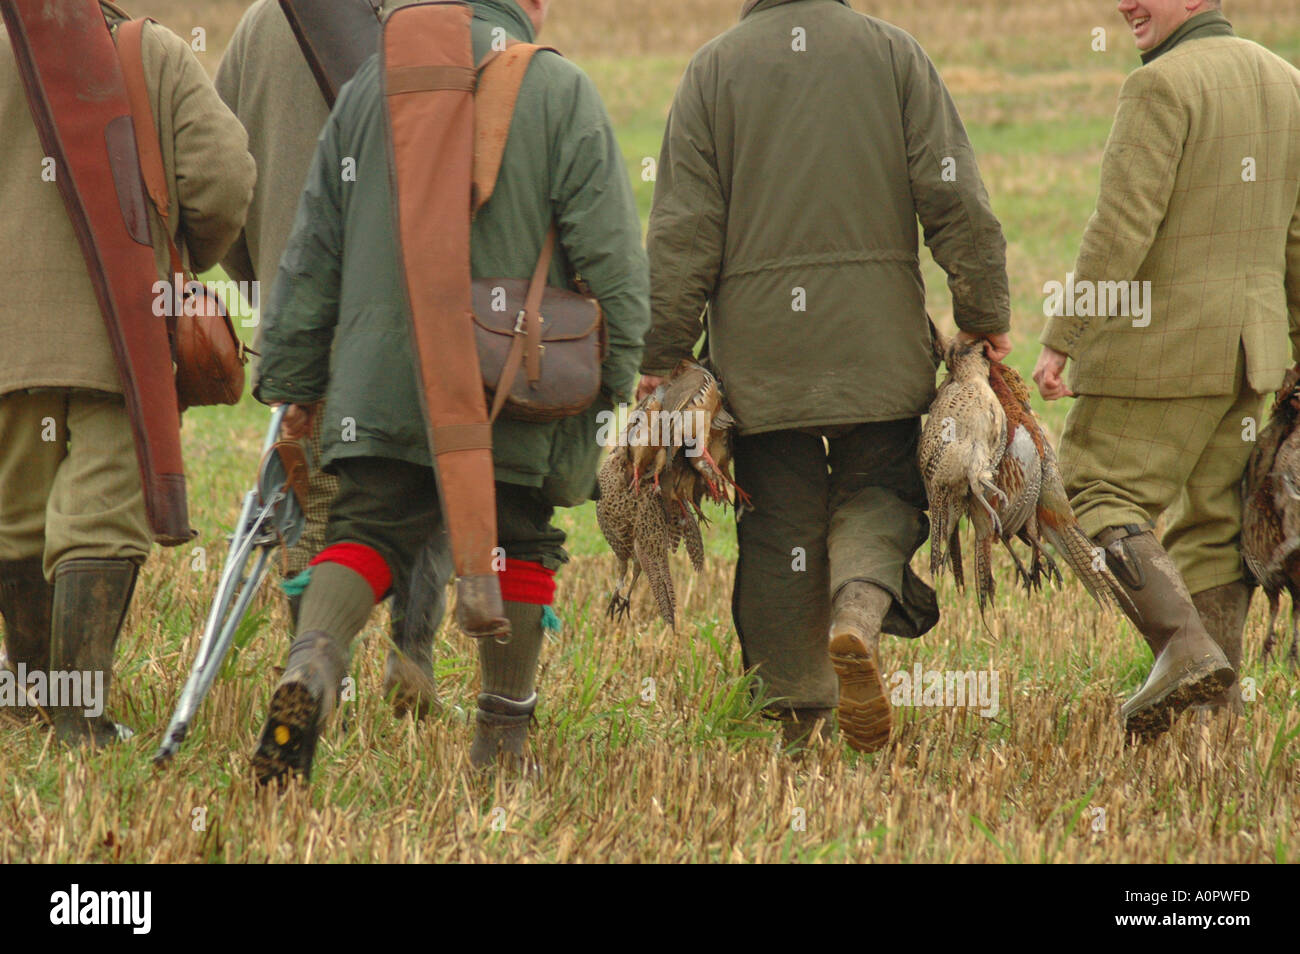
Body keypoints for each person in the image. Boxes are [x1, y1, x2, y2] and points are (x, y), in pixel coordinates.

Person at [248, 0, 649, 782]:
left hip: (379, 385)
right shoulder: (561, 90)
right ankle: (501, 749)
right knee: (520, 541)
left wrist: (292, 380)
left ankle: (313, 667)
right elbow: (617, 271)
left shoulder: (370, 85)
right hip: (510, 380)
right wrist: (612, 386)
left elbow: (312, 252)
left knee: (364, 533)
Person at [639, 0, 1011, 753]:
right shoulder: (895, 55)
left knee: (780, 525)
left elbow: (683, 233)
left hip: (762, 361)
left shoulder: (714, 70)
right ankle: (858, 616)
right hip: (878, 350)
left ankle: (800, 718)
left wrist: (662, 350)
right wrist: (981, 311)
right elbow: (955, 197)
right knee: (882, 488)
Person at [1034, 0, 1300, 736]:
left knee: (1096, 485)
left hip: (1164, 350)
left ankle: (1183, 651)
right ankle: (1213, 722)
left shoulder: (1160, 86)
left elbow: (1121, 225)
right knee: (1214, 529)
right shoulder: (1288, 81)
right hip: (1252, 357)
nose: (1125, 3)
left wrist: (1065, 336)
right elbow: (1299, 237)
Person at [0, 2, 255, 743]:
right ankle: (79, 718)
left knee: (15, 514)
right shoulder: (150, 52)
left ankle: (25, 698)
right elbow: (225, 180)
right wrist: (174, 250)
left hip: (10, 341)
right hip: (119, 332)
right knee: (102, 516)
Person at [214, 0, 447, 720]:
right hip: (412, 311)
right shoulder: (441, 19)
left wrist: (269, 286)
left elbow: (222, 170)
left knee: (302, 488)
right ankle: (413, 663)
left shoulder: (264, 22)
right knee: (421, 489)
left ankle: (308, 663)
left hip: (303, 315)